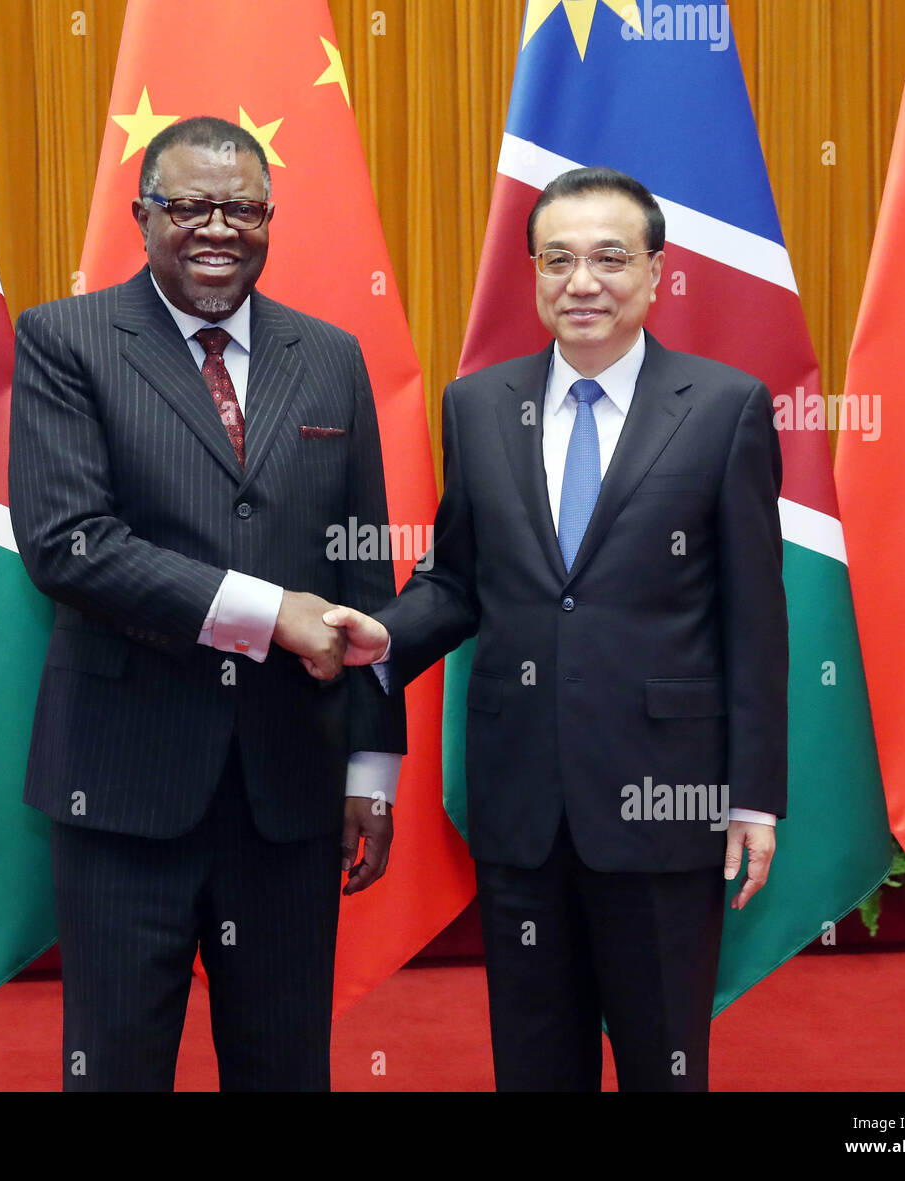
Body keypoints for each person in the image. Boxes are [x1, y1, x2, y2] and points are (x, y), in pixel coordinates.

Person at [326, 166, 787, 1091]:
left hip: (666, 803)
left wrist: (752, 797)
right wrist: (381, 636)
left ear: (657, 275)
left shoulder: (725, 407)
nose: (583, 282)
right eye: (559, 260)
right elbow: (458, 577)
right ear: (532, 275)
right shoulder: (480, 406)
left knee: (665, 1063)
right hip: (521, 804)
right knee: (535, 1062)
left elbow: (755, 618)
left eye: (611, 258)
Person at [8, 116, 405, 1091]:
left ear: (270, 218)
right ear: (143, 216)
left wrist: (372, 766)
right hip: (123, 785)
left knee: (283, 1068)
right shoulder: (65, 341)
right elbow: (69, 545)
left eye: (239, 207)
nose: (215, 227)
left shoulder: (332, 355)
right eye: (188, 206)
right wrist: (268, 610)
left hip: (289, 790)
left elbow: (361, 573)